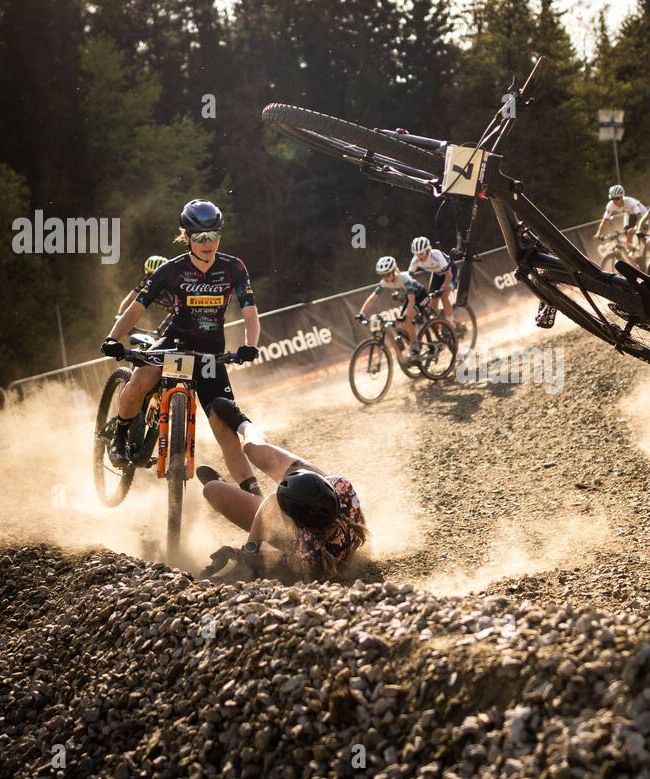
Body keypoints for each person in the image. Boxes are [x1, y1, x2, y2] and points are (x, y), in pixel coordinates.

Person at [101, 199, 263, 489]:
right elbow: (137, 308)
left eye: (213, 236)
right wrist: (113, 338)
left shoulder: (234, 268)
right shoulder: (170, 270)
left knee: (226, 432)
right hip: (173, 343)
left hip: (210, 354)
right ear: (186, 237)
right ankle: (120, 435)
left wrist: (251, 344)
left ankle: (253, 494)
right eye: (200, 237)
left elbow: (250, 312)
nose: (207, 243)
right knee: (139, 381)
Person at [198, 400, 368, 582]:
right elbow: (275, 500)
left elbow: (265, 562)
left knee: (212, 490)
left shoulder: (308, 553)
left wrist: (245, 553)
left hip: (300, 535)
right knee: (254, 450)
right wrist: (249, 551)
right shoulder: (343, 487)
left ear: (295, 523)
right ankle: (243, 424)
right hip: (313, 502)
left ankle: (241, 491)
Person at [357, 256, 429, 359]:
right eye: (382, 275)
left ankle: (415, 345)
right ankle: (411, 343)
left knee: (407, 320)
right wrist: (361, 312)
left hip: (421, 296)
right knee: (399, 325)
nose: (385, 278)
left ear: (394, 271)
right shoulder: (384, 282)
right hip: (409, 298)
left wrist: (406, 316)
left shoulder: (404, 278)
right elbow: (372, 298)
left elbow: (412, 300)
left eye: (387, 274)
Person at [116, 255, 176, 338]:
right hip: (174, 312)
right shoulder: (145, 284)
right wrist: (120, 314)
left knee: (164, 334)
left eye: (159, 275)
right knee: (160, 335)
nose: (154, 278)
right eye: (150, 275)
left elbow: (180, 310)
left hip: (184, 312)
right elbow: (130, 298)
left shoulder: (175, 284)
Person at [407, 236, 455, 327]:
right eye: (416, 254)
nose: (418, 257)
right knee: (432, 304)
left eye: (421, 253)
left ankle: (451, 324)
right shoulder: (415, 259)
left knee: (444, 296)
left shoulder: (436, 254)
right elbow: (409, 277)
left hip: (450, 272)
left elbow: (448, 274)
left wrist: (443, 287)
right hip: (437, 274)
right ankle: (441, 325)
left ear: (428, 250)